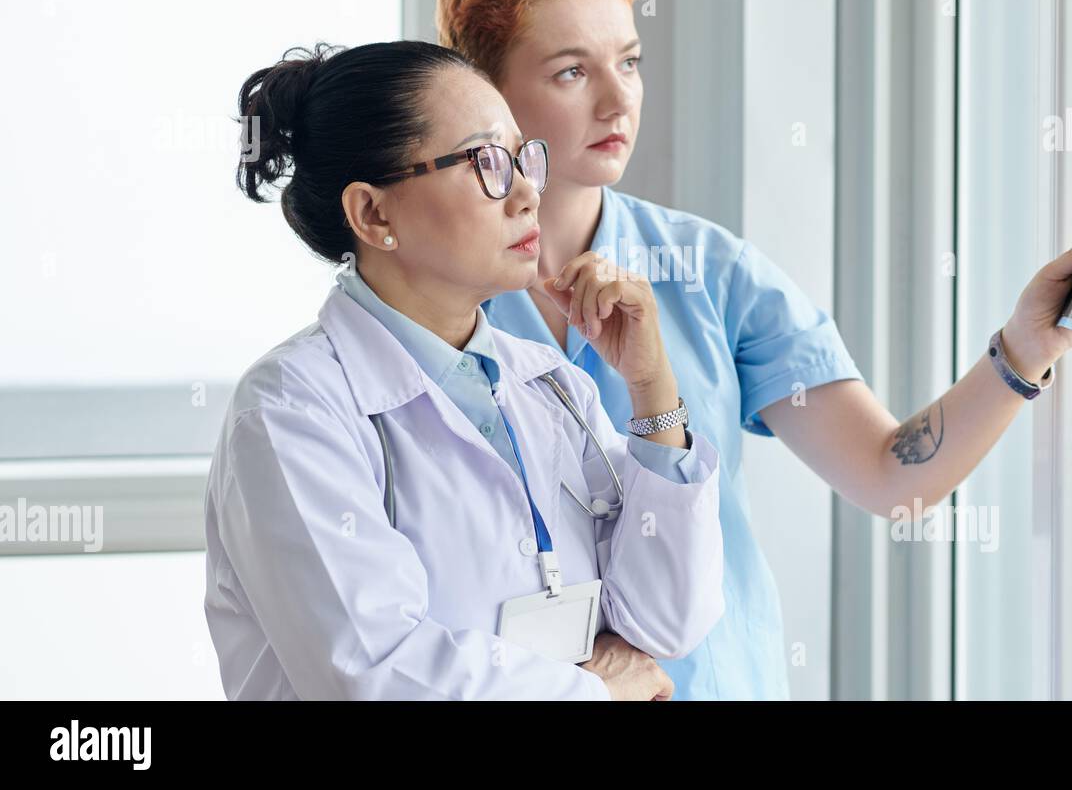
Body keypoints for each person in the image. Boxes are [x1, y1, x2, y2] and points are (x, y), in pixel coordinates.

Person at [436, 0, 1072, 699]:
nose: (619, 102)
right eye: (572, 72)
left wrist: (1024, 348)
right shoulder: (433, 300)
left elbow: (892, 478)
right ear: (486, 96)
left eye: (631, 62)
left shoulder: (710, 274)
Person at [203, 40, 725, 700]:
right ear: (373, 213)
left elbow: (665, 621)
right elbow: (377, 674)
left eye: (522, 159)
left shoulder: (549, 383)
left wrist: (652, 389)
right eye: (487, 163)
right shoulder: (290, 412)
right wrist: (598, 693)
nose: (529, 192)